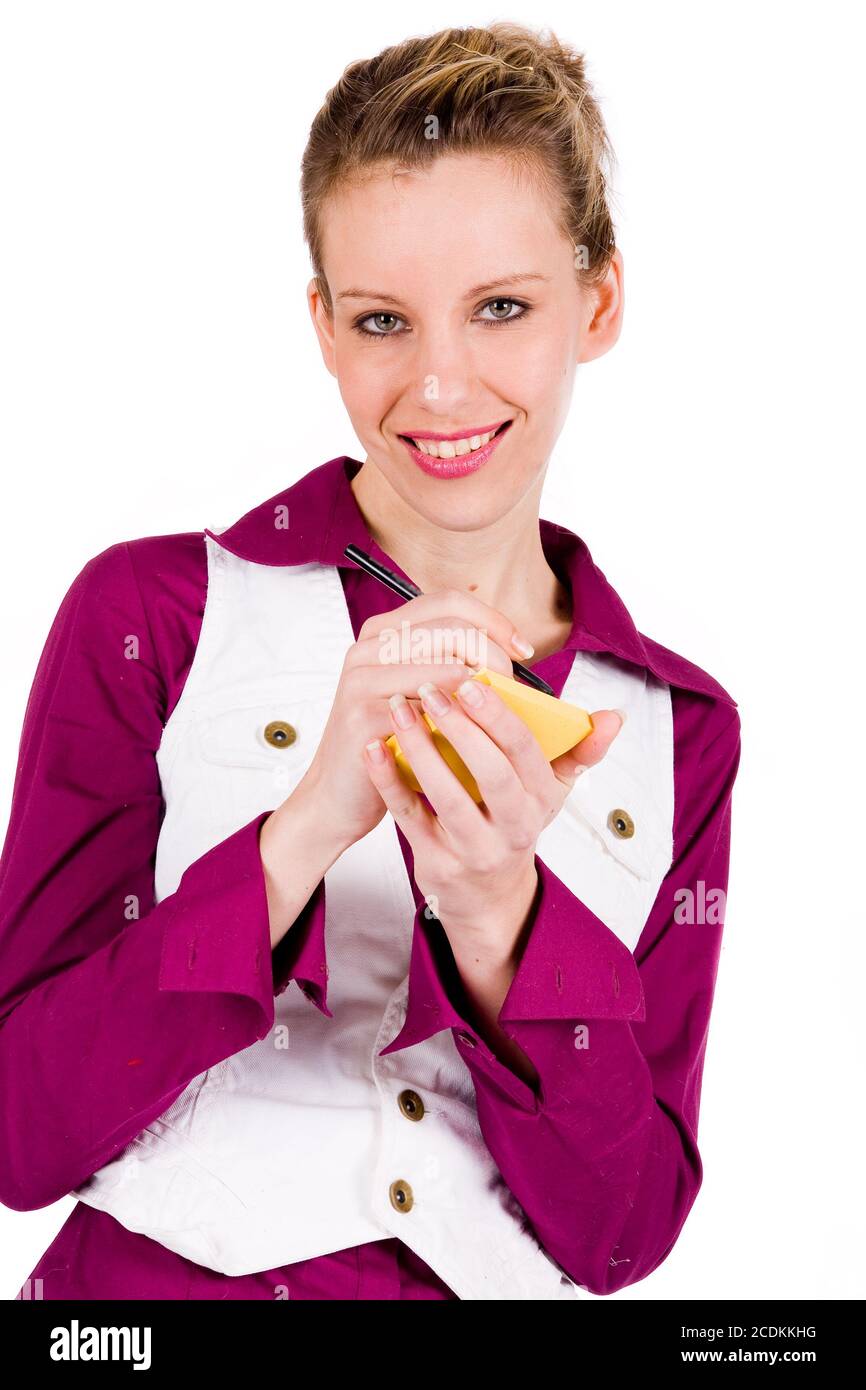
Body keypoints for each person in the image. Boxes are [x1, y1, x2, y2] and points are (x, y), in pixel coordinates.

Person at [1, 22, 741, 1301]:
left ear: (598, 301)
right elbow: (20, 1129)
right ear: (324, 327)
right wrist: (303, 833)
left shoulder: (679, 725)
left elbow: (621, 1234)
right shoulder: (154, 613)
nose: (440, 386)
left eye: (501, 307)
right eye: (383, 320)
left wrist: (501, 916)